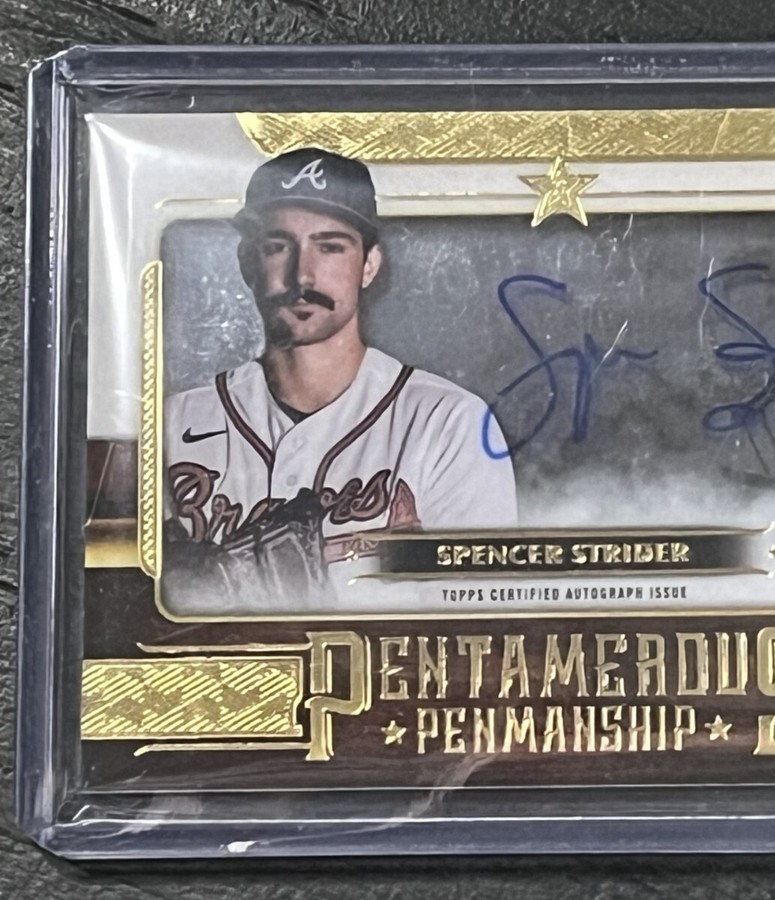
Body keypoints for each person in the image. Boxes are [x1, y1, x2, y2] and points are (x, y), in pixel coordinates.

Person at [163, 147, 517, 611]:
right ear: (247, 261)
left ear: (369, 264)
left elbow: (480, 626)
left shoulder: (449, 423)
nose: (302, 275)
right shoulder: (173, 424)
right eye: (277, 246)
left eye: (330, 247)